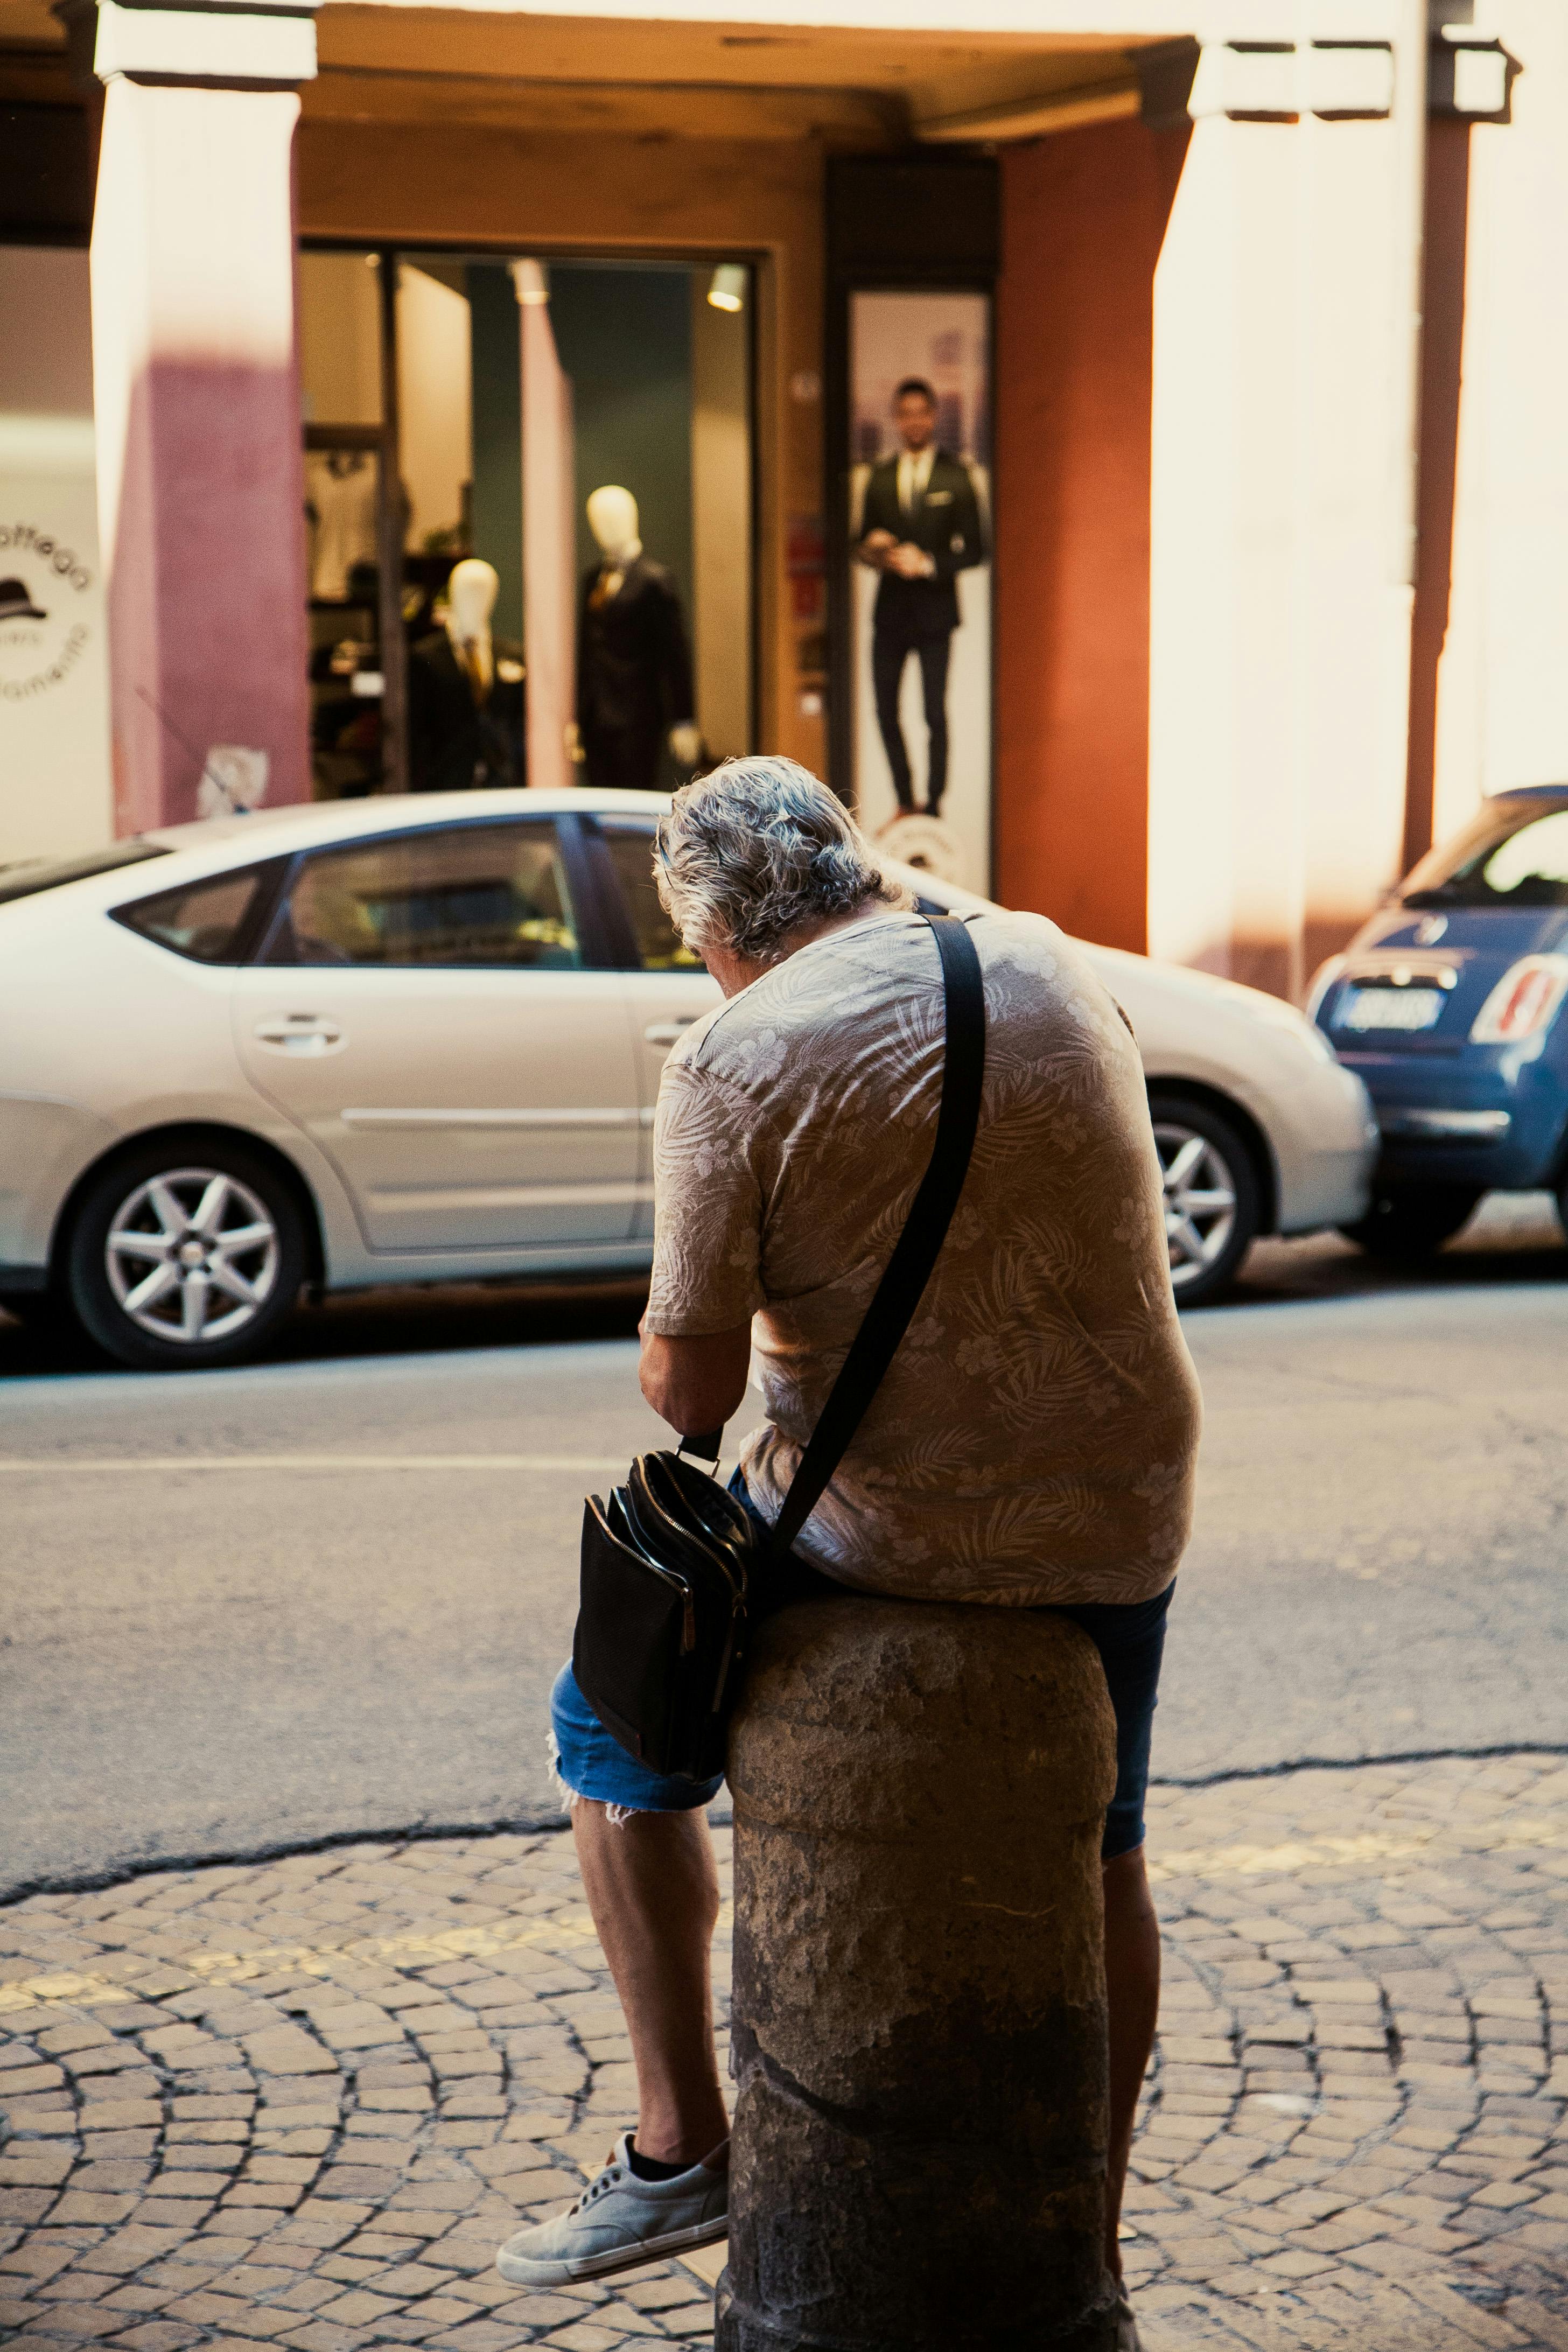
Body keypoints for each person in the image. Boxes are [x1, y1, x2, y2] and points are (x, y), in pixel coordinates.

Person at [495, 759, 1202, 2351]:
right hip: (1124, 1497)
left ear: (711, 932)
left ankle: (679, 2145)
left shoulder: (732, 1058)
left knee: (601, 1734)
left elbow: (684, 1395)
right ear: (861, 869)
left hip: (900, 1529)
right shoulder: (1041, 953)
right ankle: (1082, 2245)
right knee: (1109, 1840)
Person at [856, 377, 986, 819]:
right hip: (890, 612)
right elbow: (860, 544)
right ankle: (904, 799)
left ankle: (933, 803)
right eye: (905, 413)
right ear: (896, 418)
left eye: (921, 413)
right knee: (885, 709)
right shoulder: (881, 475)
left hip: (935, 611)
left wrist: (928, 562)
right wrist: (878, 551)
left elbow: (976, 548)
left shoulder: (956, 474)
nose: (913, 421)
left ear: (932, 417)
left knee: (934, 711)